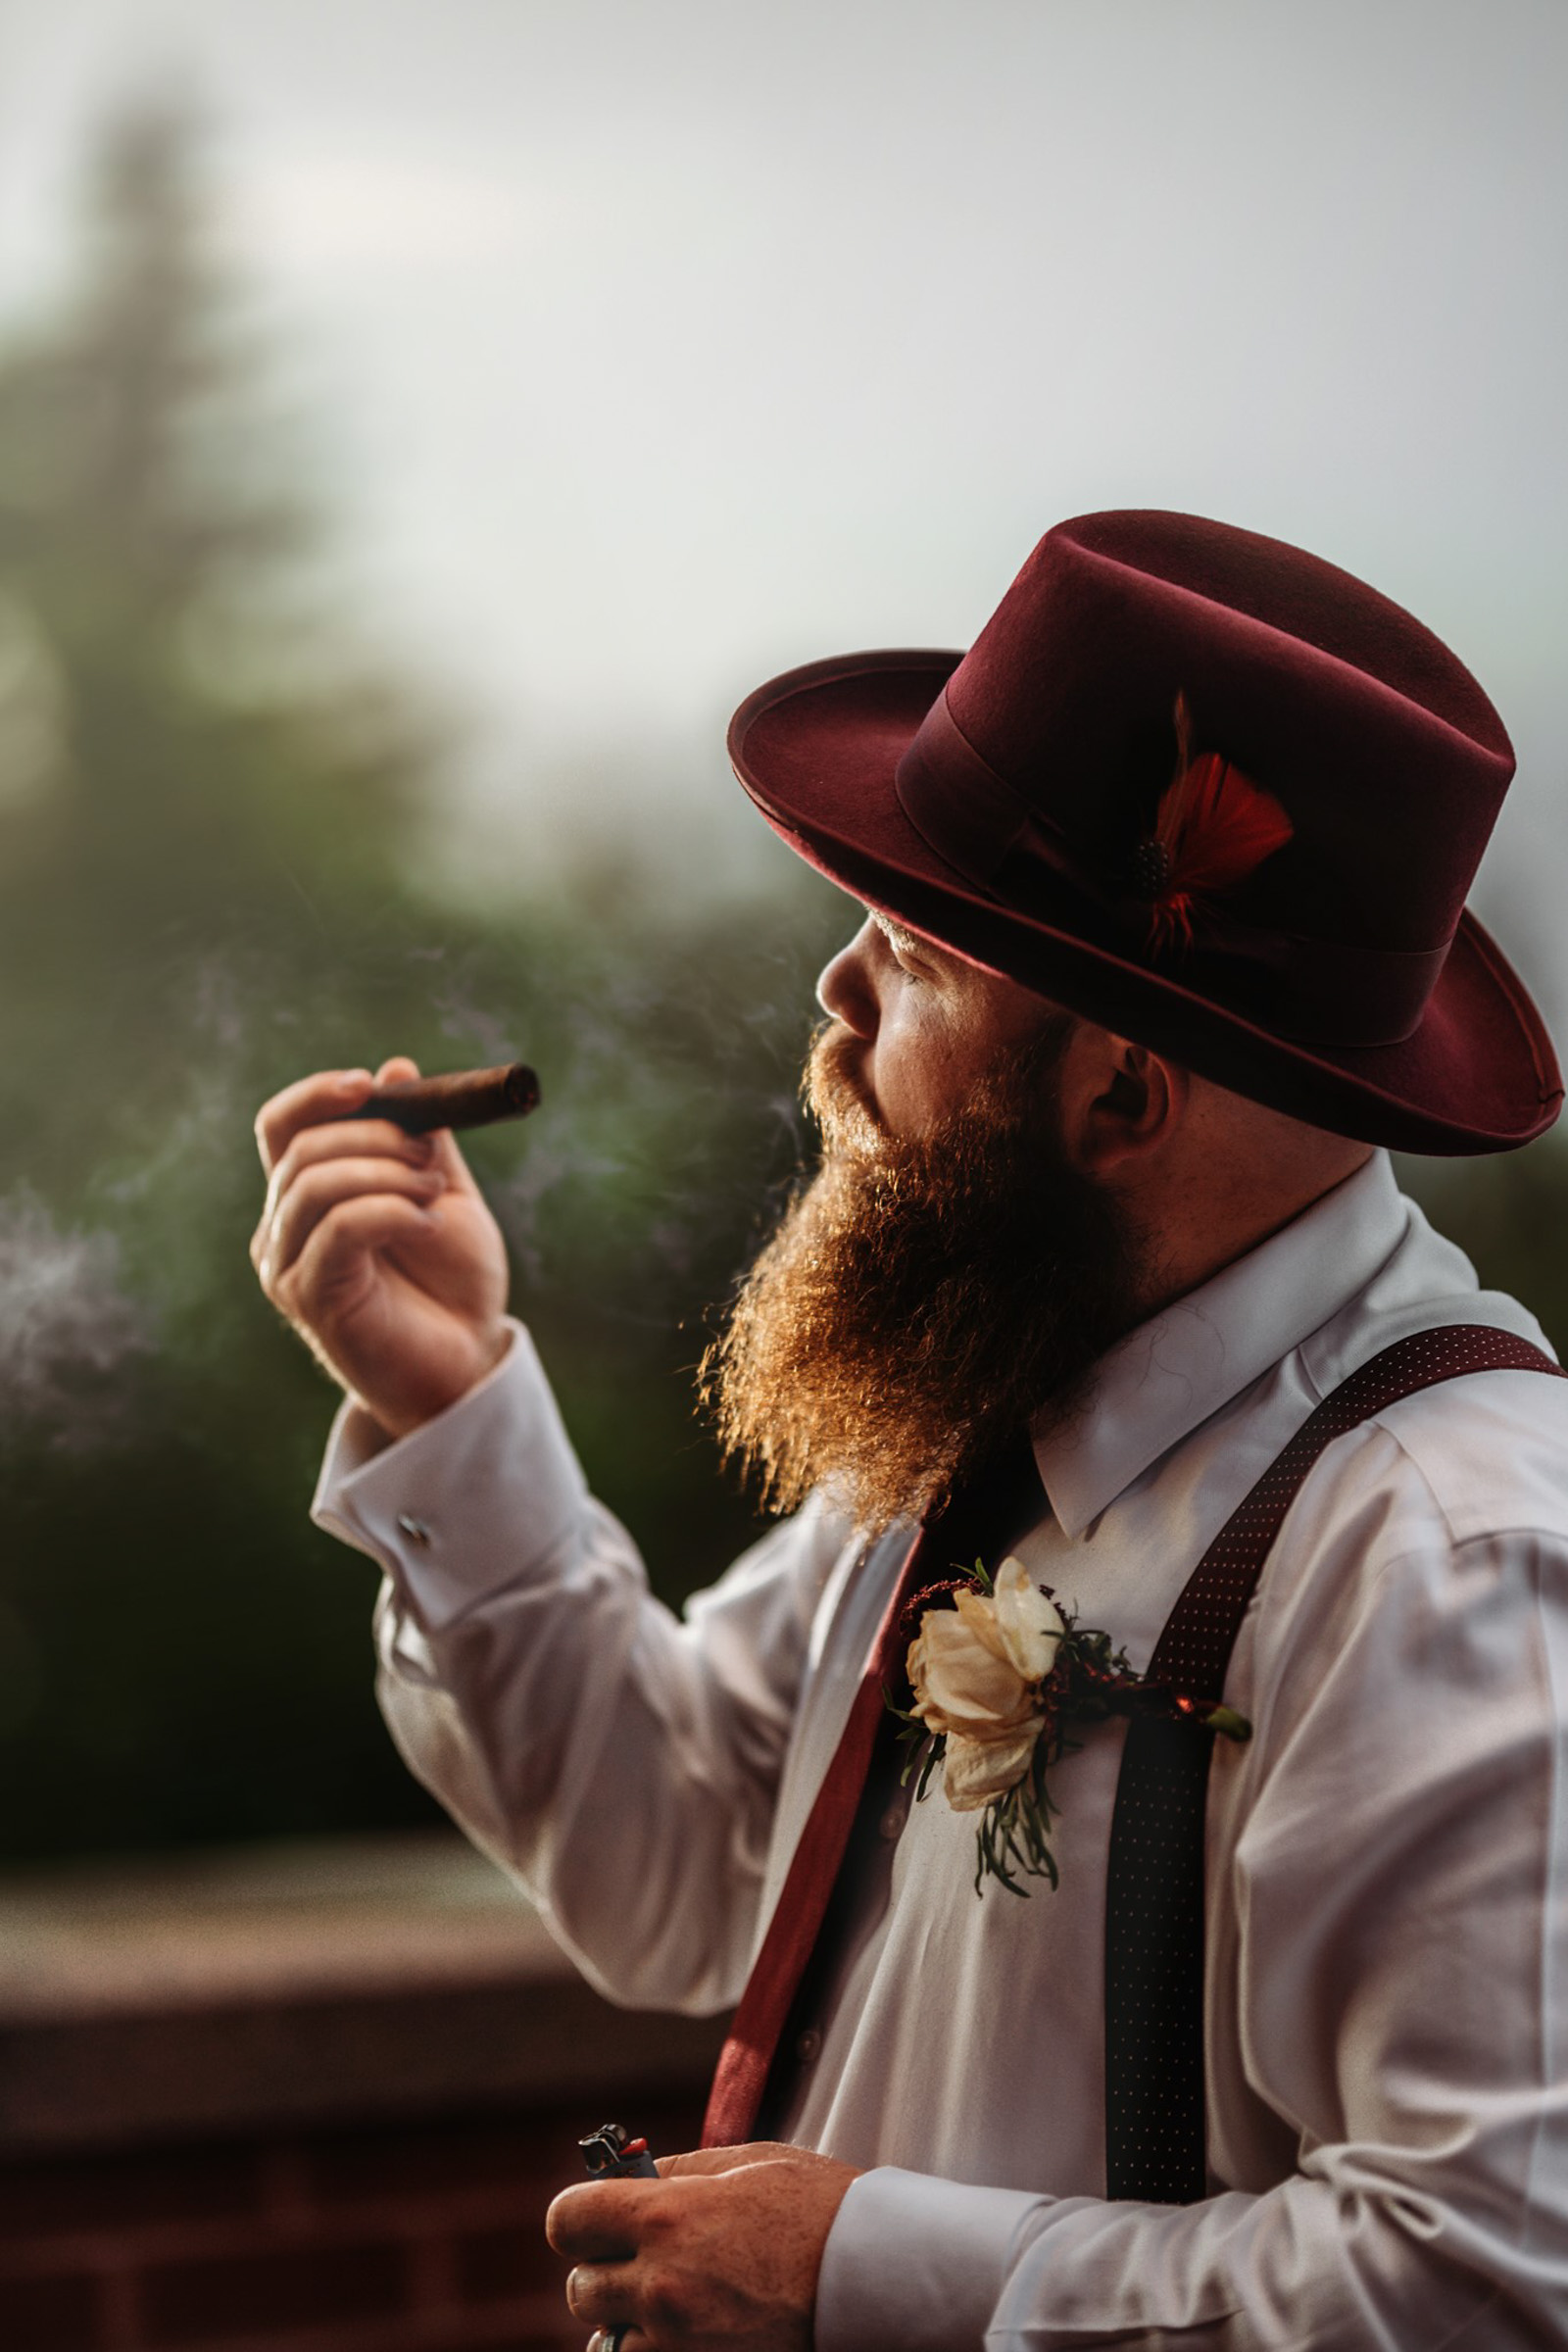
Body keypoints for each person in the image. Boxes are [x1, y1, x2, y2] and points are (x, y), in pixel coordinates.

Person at [251, 510, 1568, 2351]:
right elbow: (671, 1860)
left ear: (1121, 1095)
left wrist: (854, 2271)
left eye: (914, 949)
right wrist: (444, 1393)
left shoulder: (1450, 1554)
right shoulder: (996, 1414)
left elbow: (1483, 2283)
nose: (835, 990)